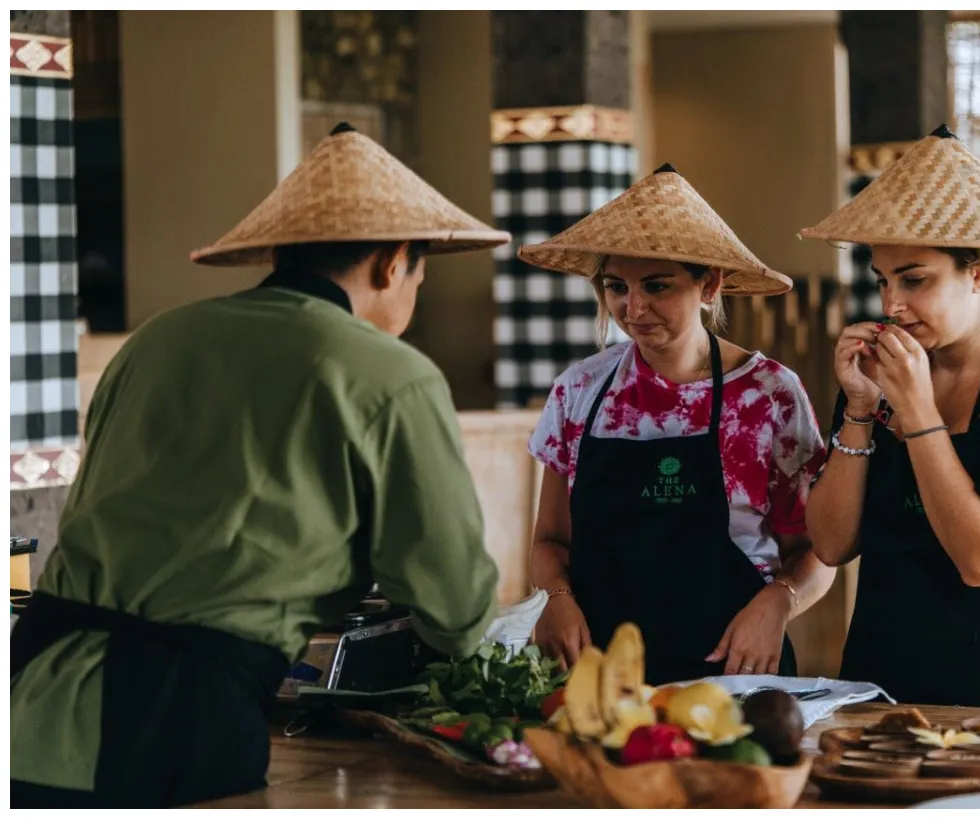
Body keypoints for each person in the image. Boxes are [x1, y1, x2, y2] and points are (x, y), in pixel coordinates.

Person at [10, 124, 508, 807]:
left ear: (279, 251)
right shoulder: (393, 375)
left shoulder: (153, 340)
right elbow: (452, 601)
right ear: (394, 263)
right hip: (176, 722)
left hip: (31, 692)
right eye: (421, 272)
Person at [800, 125, 980, 709]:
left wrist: (917, 412)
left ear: (979, 271)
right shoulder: (880, 377)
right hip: (873, 688)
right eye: (882, 280)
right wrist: (859, 407)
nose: (890, 305)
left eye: (914, 279)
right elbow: (831, 545)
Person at [519, 163, 837, 686]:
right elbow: (550, 540)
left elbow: (816, 553)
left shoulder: (769, 395)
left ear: (709, 284)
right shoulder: (579, 391)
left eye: (657, 286)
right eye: (616, 286)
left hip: (730, 677)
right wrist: (555, 598)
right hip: (597, 677)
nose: (633, 307)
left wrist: (778, 605)